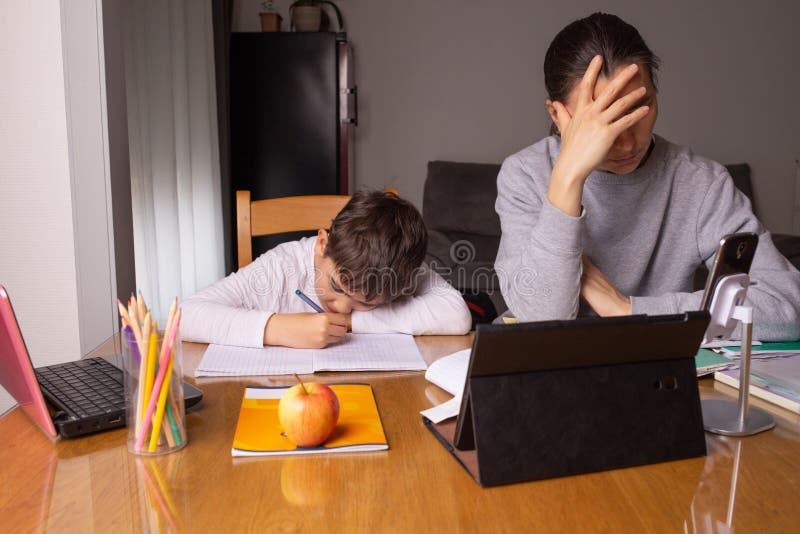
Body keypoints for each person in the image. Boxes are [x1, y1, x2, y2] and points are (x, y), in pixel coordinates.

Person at [495, 12, 800, 340]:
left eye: (639, 110)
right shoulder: (525, 174)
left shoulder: (700, 182)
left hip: (656, 370)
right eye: (602, 121)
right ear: (557, 114)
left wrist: (627, 310)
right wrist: (568, 176)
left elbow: (786, 306)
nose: (626, 142)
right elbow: (540, 319)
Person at [182, 190, 471, 348]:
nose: (343, 308)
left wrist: (352, 324)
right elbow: (184, 316)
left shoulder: (392, 269)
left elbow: (457, 315)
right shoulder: (281, 268)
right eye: (336, 287)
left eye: (365, 303)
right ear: (322, 245)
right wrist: (278, 328)